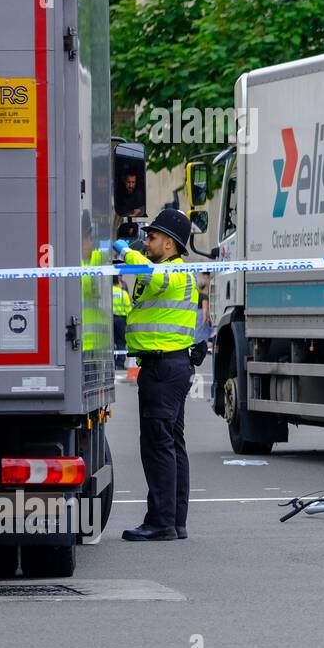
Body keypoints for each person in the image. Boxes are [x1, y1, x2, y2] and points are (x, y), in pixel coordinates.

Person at [113, 209, 198, 542]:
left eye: (152, 237)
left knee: (158, 445)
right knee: (172, 444)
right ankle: (175, 520)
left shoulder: (172, 273)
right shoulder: (166, 271)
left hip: (163, 369)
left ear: (169, 242)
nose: (147, 241)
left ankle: (161, 520)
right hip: (168, 366)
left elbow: (153, 277)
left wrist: (125, 250)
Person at [111, 275, 131, 370]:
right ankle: (120, 364)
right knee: (121, 342)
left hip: (109, 320)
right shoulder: (123, 294)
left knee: (110, 342)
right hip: (121, 320)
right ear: (118, 282)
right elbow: (128, 309)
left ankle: (111, 363)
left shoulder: (107, 293)